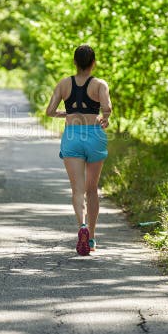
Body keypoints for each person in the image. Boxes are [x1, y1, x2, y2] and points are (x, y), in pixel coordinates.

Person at [45, 44, 112, 256]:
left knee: (78, 190)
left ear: (75, 62)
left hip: (72, 136)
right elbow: (107, 108)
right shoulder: (100, 84)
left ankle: (81, 226)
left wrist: (67, 114)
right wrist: (105, 119)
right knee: (92, 189)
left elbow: (49, 111)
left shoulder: (64, 84)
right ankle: (91, 238)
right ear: (93, 63)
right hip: (94, 135)